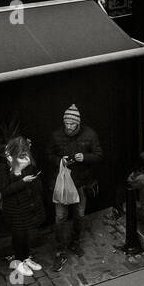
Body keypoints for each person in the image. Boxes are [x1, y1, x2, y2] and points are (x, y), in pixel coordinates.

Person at [48, 103, 103, 271]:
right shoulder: (55, 135)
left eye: (72, 124)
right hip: (63, 183)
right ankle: (60, 250)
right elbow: (48, 154)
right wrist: (60, 161)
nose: (69, 127)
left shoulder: (90, 134)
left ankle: (75, 242)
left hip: (80, 183)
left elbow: (99, 155)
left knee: (79, 215)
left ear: (78, 123)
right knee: (60, 218)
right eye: (67, 124)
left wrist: (84, 157)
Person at [0, 136, 44, 280]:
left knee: (26, 233)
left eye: (25, 152)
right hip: (13, 207)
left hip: (27, 203)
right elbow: (5, 190)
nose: (24, 155)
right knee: (18, 235)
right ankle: (18, 261)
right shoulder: (2, 165)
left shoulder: (26, 159)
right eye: (21, 153)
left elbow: (32, 177)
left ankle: (26, 258)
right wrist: (22, 180)